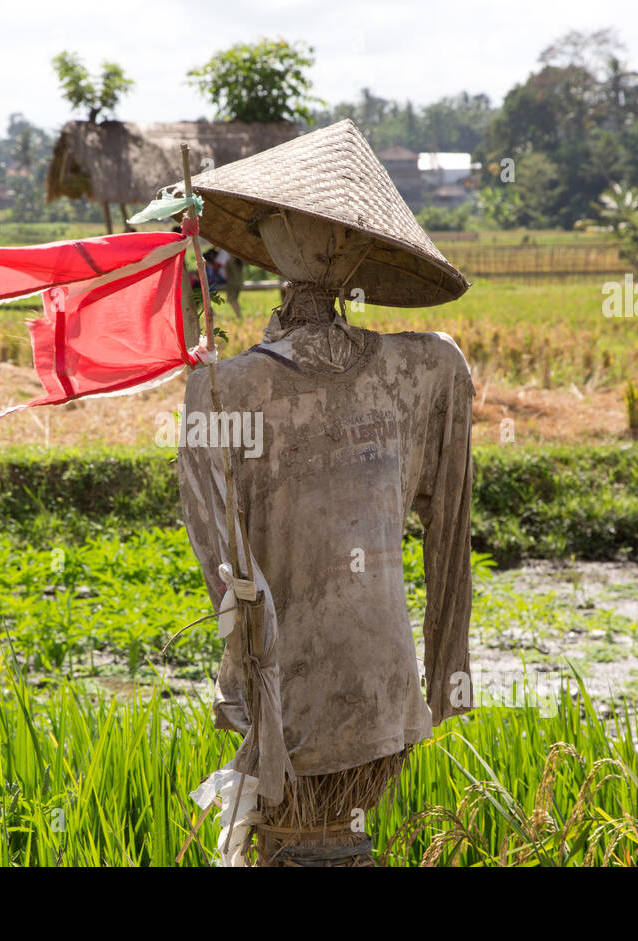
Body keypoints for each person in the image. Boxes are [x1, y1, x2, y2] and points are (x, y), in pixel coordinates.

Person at [172, 119, 475, 866]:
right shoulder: (427, 368)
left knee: (308, 843)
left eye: (294, 226)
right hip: (377, 695)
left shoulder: (225, 387)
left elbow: (225, 572)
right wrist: (445, 678)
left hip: (299, 708)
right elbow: (232, 570)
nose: (294, 239)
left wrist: (259, 707)